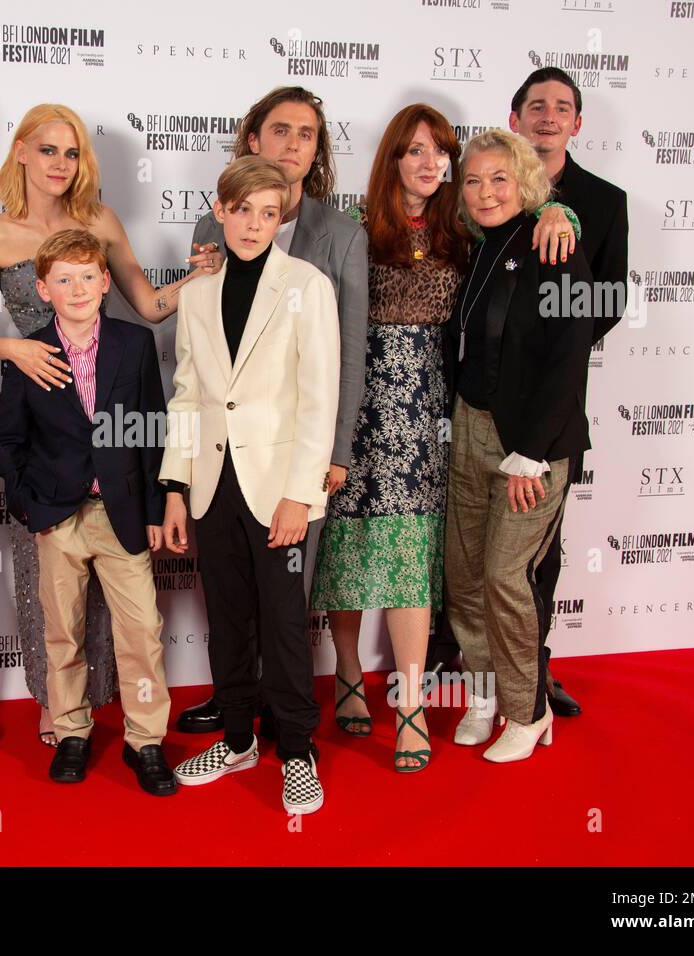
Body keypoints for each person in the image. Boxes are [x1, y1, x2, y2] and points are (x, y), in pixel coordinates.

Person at [0, 103, 219, 747]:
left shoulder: (100, 223)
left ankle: (122, 716)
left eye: (71, 152)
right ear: (21, 151)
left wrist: (201, 275)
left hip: (110, 433)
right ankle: (62, 709)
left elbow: (149, 307)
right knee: (51, 599)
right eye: (47, 149)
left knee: (123, 599)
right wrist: (16, 348)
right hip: (44, 423)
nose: (60, 164)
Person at [177, 85, 368, 738]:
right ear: (254, 137)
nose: (292, 143)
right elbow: (196, 365)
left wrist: (330, 460)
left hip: (294, 460)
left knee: (286, 598)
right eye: (279, 130)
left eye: (306, 134)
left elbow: (339, 361)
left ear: (317, 151)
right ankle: (238, 714)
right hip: (217, 463)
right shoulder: (212, 229)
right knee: (229, 601)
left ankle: (290, 732)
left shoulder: (337, 238)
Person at [163, 156, 340, 814]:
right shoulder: (200, 290)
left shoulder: (307, 285)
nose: (254, 224)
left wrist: (301, 493)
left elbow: (318, 401)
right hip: (211, 483)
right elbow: (186, 392)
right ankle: (238, 740)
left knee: (285, 624)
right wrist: (176, 487)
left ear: (282, 215)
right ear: (221, 206)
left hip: (277, 489)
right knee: (228, 620)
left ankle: (297, 751)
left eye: (270, 213)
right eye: (243, 210)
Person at [309, 105, 468, 771]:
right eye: (415, 151)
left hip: (425, 417)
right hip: (356, 410)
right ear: (392, 160)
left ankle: (409, 706)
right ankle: (347, 671)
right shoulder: (353, 234)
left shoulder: (465, 234)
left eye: (441, 152)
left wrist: (560, 215)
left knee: (409, 558)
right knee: (348, 548)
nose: (430, 164)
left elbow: (528, 228)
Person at [0, 229, 175, 795]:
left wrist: (154, 503)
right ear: (43, 289)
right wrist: (30, 507)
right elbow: (6, 440)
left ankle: (146, 740)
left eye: (87, 277)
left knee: (141, 631)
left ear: (104, 283)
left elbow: (152, 428)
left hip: (120, 511)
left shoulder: (134, 344)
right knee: (62, 632)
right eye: (63, 280)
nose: (77, 289)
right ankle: (72, 730)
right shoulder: (28, 353)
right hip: (57, 516)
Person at [443, 129, 597, 762]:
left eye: (498, 179)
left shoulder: (554, 244)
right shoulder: (480, 247)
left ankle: (527, 712)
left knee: (508, 576)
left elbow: (569, 361)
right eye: (474, 180)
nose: (485, 191)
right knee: (465, 575)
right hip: (470, 427)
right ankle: (483, 697)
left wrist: (531, 451)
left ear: (525, 182)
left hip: (532, 440)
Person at [508, 66, 629, 718]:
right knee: (474, 548)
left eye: (561, 108)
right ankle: (473, 669)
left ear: (577, 124)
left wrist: (558, 338)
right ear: (515, 119)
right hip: (480, 400)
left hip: (555, 402)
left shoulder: (604, 201)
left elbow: (609, 299)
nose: (548, 117)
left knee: (539, 552)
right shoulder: (495, 189)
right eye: (536, 106)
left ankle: (536, 671)